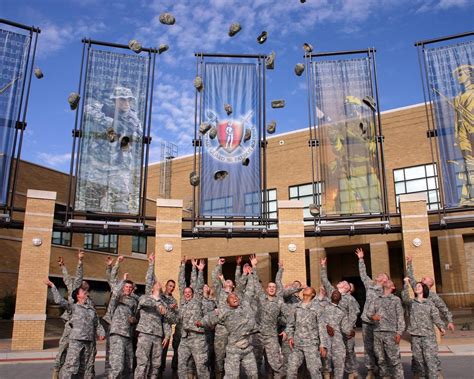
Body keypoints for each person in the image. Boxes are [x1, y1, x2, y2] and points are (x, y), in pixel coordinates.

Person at [77, 85, 143, 214]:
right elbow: (87, 109)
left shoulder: (133, 117)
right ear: (115, 100)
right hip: (99, 162)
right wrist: (110, 122)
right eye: (122, 99)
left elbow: (139, 135)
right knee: (92, 203)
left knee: (120, 204)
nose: (126, 103)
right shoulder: (105, 108)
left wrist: (125, 132)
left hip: (119, 165)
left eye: (128, 99)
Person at [199, 255, 259, 379]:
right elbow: (214, 278)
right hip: (221, 330)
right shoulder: (220, 292)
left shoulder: (236, 296)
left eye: (230, 282)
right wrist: (219, 265)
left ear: (232, 287)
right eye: (226, 281)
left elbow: (242, 284)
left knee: (233, 356)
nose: (228, 282)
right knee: (219, 357)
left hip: (234, 331)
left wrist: (246, 272)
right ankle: (219, 375)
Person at [328, 95, 381, 214]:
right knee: (346, 210)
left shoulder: (368, 125)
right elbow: (339, 151)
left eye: (350, 108)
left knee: (375, 209)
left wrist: (362, 143)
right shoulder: (342, 127)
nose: (349, 113)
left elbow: (375, 147)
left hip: (364, 169)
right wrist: (334, 139)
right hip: (347, 170)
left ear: (357, 108)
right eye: (346, 110)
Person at [45, 278, 105, 379]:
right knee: (71, 366)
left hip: (89, 342)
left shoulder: (91, 310)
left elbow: (97, 324)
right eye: (83, 291)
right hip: (76, 341)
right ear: (78, 296)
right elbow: (59, 300)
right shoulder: (72, 307)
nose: (85, 292)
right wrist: (53, 286)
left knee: (84, 367)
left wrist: (101, 332)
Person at [320, 258, 360, 378]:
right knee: (329, 351)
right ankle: (328, 371)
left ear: (348, 288)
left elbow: (353, 314)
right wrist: (323, 266)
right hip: (332, 330)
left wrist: (349, 330)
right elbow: (325, 281)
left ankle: (352, 372)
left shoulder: (350, 299)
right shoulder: (333, 293)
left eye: (345, 283)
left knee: (348, 352)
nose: (342, 282)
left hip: (345, 329)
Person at [355, 247, 389, 379]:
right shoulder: (370, 285)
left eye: (382, 275)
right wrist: (361, 259)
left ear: (385, 280)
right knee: (368, 347)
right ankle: (370, 370)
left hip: (380, 324)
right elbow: (363, 274)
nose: (379, 275)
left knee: (380, 348)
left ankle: (383, 370)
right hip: (367, 322)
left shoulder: (386, 291)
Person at [402, 278, 446, 379]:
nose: (416, 287)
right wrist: (405, 284)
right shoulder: (412, 303)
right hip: (416, 337)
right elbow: (404, 298)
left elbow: (436, 317)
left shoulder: (429, 303)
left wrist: (441, 327)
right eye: (416, 286)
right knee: (419, 361)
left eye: (419, 286)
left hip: (428, 336)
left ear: (424, 289)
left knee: (431, 361)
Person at [52, 251, 86, 379]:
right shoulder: (74, 290)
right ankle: (56, 369)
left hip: (80, 329)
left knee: (75, 353)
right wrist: (65, 266)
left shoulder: (85, 299)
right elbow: (70, 277)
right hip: (70, 325)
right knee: (63, 348)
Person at [283, 286, 327, 379]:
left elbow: (322, 327)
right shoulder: (295, 307)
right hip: (297, 344)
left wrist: (323, 345)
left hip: (311, 344)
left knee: (314, 370)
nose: (306, 288)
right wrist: (290, 337)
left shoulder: (317, 308)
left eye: (309, 288)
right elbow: (290, 324)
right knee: (291, 368)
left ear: (313, 294)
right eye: (306, 288)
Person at [176, 258, 209, 379]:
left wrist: (199, 271)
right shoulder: (182, 303)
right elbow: (181, 282)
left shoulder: (197, 300)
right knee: (182, 364)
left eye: (189, 292)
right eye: (185, 292)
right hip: (185, 338)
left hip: (197, 338)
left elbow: (198, 286)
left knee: (201, 366)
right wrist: (183, 265)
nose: (187, 293)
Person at [366, 280, 405, 379]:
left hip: (391, 332)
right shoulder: (376, 299)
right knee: (381, 359)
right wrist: (373, 316)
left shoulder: (396, 300)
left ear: (393, 287)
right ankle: (385, 376)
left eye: (390, 282)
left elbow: (400, 316)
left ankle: (399, 377)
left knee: (394, 359)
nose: (387, 281)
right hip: (377, 332)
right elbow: (369, 313)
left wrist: (399, 332)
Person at [107, 278, 138, 378]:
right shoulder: (118, 298)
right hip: (117, 334)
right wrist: (122, 281)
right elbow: (115, 293)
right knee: (117, 366)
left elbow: (136, 316)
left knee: (128, 366)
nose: (128, 289)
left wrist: (133, 319)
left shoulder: (133, 301)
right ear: (123, 288)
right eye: (126, 287)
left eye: (130, 287)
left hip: (128, 335)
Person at [452, 64, 473, 205]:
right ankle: (470, 194)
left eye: (461, 73)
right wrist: (456, 134)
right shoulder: (457, 97)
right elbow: (456, 117)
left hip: (472, 129)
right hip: (462, 132)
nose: (458, 77)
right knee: (468, 163)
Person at [321, 290, 352, 379]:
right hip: (324, 337)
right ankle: (326, 375)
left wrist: (350, 332)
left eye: (337, 294)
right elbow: (317, 319)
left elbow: (345, 327)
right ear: (330, 296)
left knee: (340, 359)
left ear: (340, 298)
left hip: (337, 339)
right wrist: (326, 326)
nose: (335, 294)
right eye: (334, 293)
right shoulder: (324, 306)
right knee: (325, 360)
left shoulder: (342, 311)